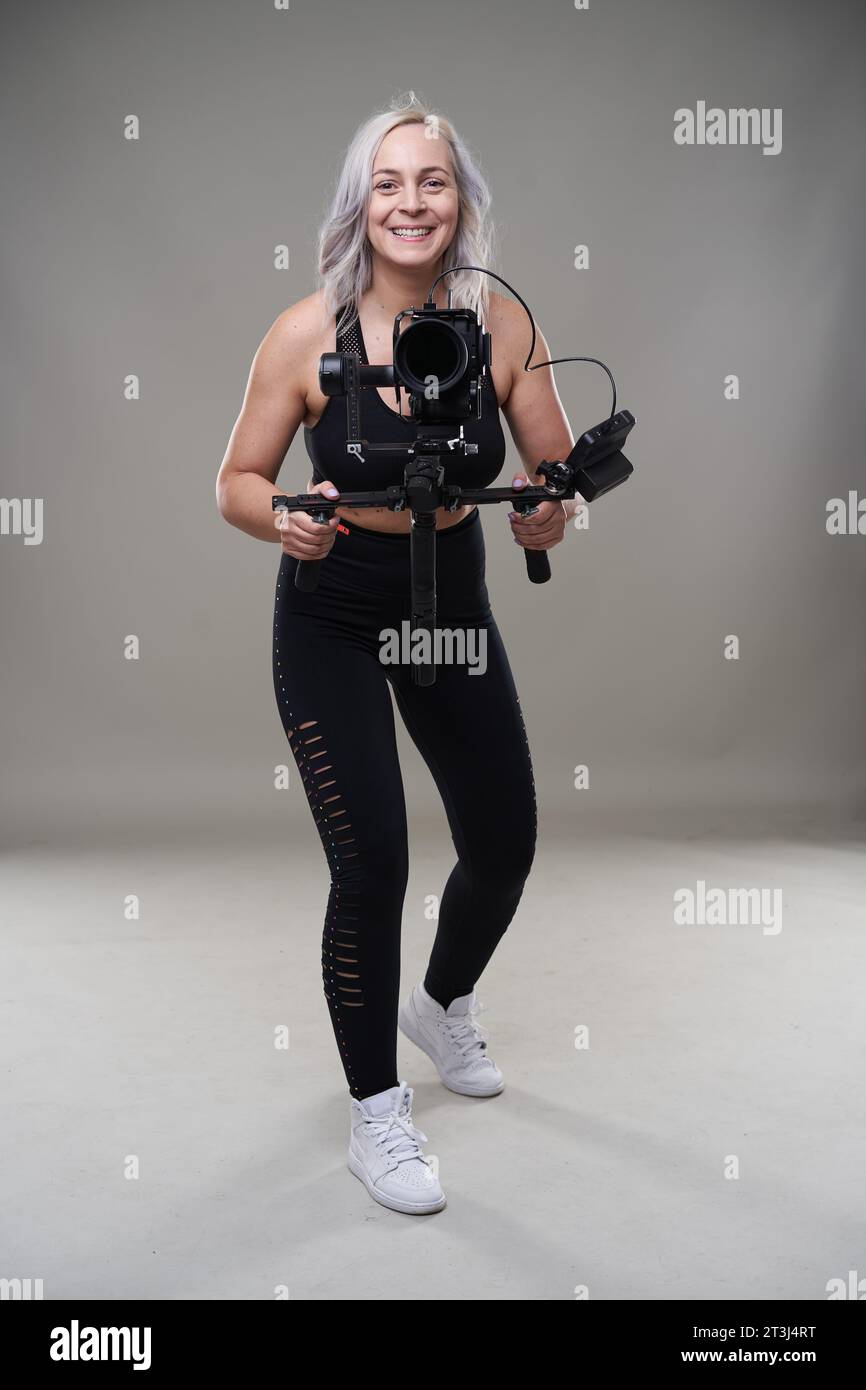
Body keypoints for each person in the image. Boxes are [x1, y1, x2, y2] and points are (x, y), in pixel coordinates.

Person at [216, 92, 577, 1215]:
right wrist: (281, 518)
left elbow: (554, 474)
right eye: (388, 183)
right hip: (330, 605)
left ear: (458, 201)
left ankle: (440, 1000)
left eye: (430, 181)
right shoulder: (302, 332)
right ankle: (379, 1116)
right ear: (358, 206)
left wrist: (544, 516)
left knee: (504, 841)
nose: (410, 202)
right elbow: (232, 482)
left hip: (447, 592)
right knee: (371, 862)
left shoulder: (503, 324)